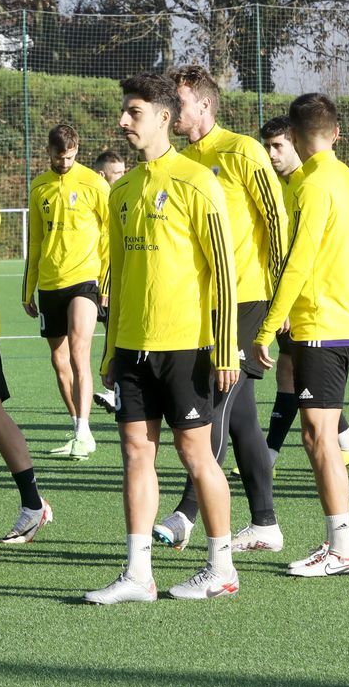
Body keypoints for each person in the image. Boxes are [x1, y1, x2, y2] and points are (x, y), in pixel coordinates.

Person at [83, 73, 239, 604]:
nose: (123, 121)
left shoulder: (199, 182)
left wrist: (223, 348)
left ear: (165, 118)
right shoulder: (121, 190)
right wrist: (109, 350)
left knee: (196, 454)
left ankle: (221, 568)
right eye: (123, 112)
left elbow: (224, 271)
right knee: (134, 452)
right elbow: (118, 278)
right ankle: (137, 575)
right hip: (131, 347)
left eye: (134, 112)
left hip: (188, 347)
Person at [153, 65, 288, 553]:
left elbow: (276, 222)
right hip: (206, 303)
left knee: (214, 400)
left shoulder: (242, 150)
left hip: (248, 296)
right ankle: (266, 523)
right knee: (242, 416)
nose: (173, 110)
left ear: (204, 106)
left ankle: (188, 513)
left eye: (180, 102)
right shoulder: (186, 158)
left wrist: (282, 299)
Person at [253, 93, 349, 577]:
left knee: (321, 436)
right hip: (344, 324)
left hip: (319, 325)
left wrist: (266, 324)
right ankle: (337, 544)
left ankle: (342, 549)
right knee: (316, 432)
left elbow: (299, 262)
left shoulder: (313, 186)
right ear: (337, 132)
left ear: (296, 137)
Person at [258, 116, 349, 473]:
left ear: (296, 142)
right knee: (294, 381)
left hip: (311, 311)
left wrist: (279, 308)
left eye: (279, 146)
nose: (272, 154)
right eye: (267, 146)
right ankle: (345, 441)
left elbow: (307, 256)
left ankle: (269, 454)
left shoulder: (310, 186)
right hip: (307, 309)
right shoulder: (286, 185)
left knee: (303, 401)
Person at [22, 125, 111, 460]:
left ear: (78, 150)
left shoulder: (94, 183)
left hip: (85, 279)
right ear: (49, 151)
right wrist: (27, 288)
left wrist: (108, 279)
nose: (64, 163)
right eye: (59, 158)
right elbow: (36, 239)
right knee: (59, 359)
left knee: (77, 350)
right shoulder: (39, 186)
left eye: (70, 157)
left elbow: (109, 234)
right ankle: (77, 428)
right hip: (49, 282)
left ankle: (85, 429)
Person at [91, 150, 126, 414]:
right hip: (101, 281)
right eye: (119, 173)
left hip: (116, 281)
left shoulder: (122, 198)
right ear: (102, 176)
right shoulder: (103, 199)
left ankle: (118, 391)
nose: (124, 177)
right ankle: (116, 390)